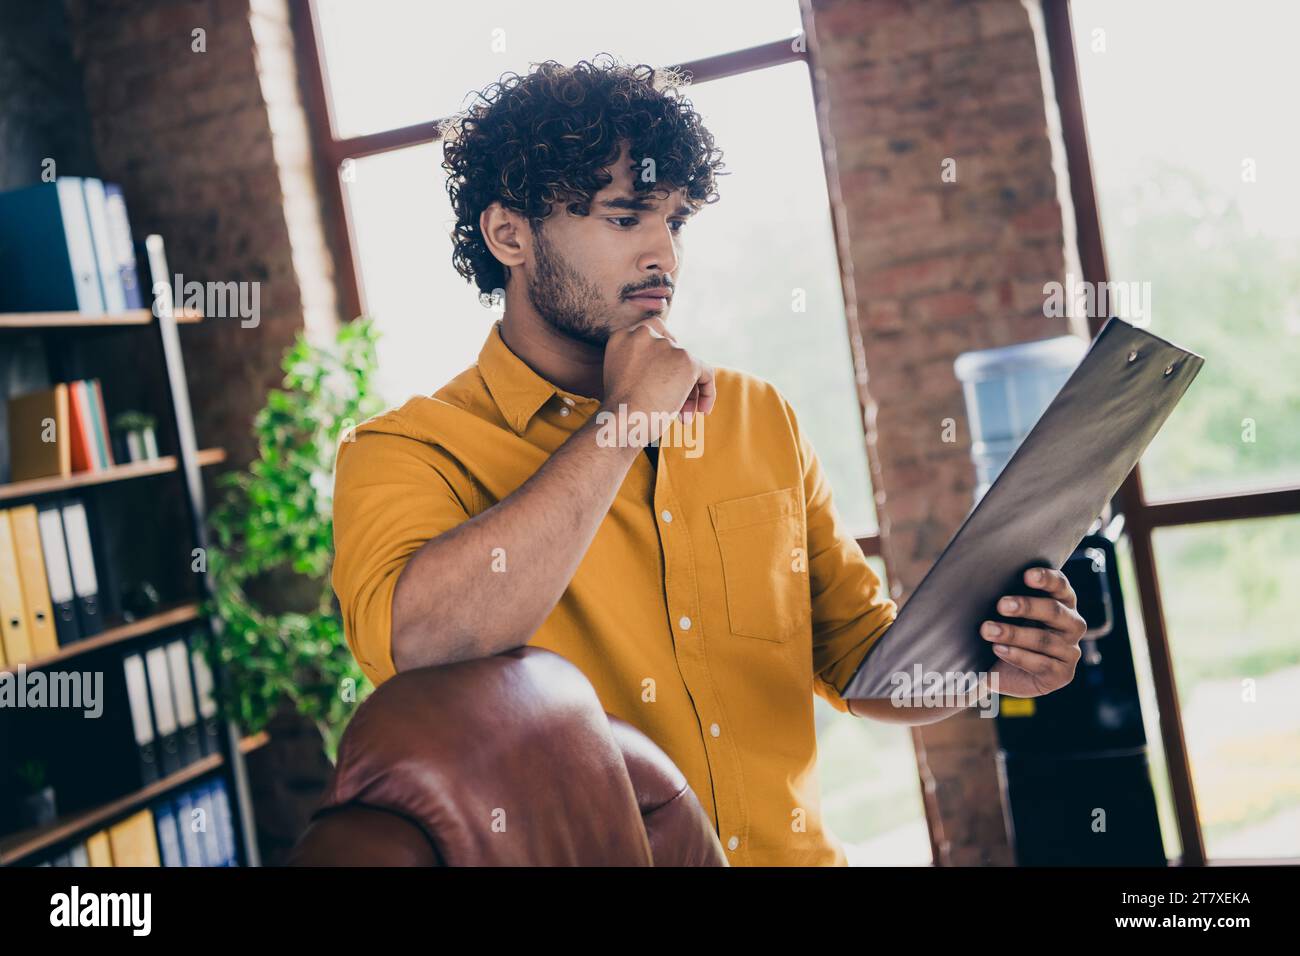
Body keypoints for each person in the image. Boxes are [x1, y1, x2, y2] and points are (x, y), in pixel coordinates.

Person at [331, 56, 1086, 866]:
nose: (664, 256)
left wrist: (985, 667)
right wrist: (624, 425)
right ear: (509, 233)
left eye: (676, 222)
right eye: (626, 219)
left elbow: (859, 658)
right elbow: (427, 643)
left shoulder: (758, 418)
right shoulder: (404, 452)